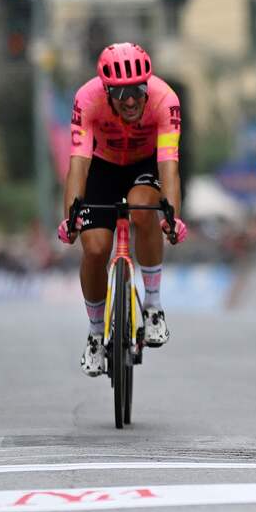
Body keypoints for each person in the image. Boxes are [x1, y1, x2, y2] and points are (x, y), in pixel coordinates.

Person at [58, 42, 187, 377]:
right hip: (101, 166)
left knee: (144, 210)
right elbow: (78, 166)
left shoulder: (165, 99)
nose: (130, 100)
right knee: (96, 248)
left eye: (137, 91)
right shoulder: (86, 99)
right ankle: (96, 333)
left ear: (148, 86)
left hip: (144, 165)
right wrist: (70, 217)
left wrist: (173, 217)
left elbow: (169, 166)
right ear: (106, 91)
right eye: (121, 93)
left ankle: (154, 307)